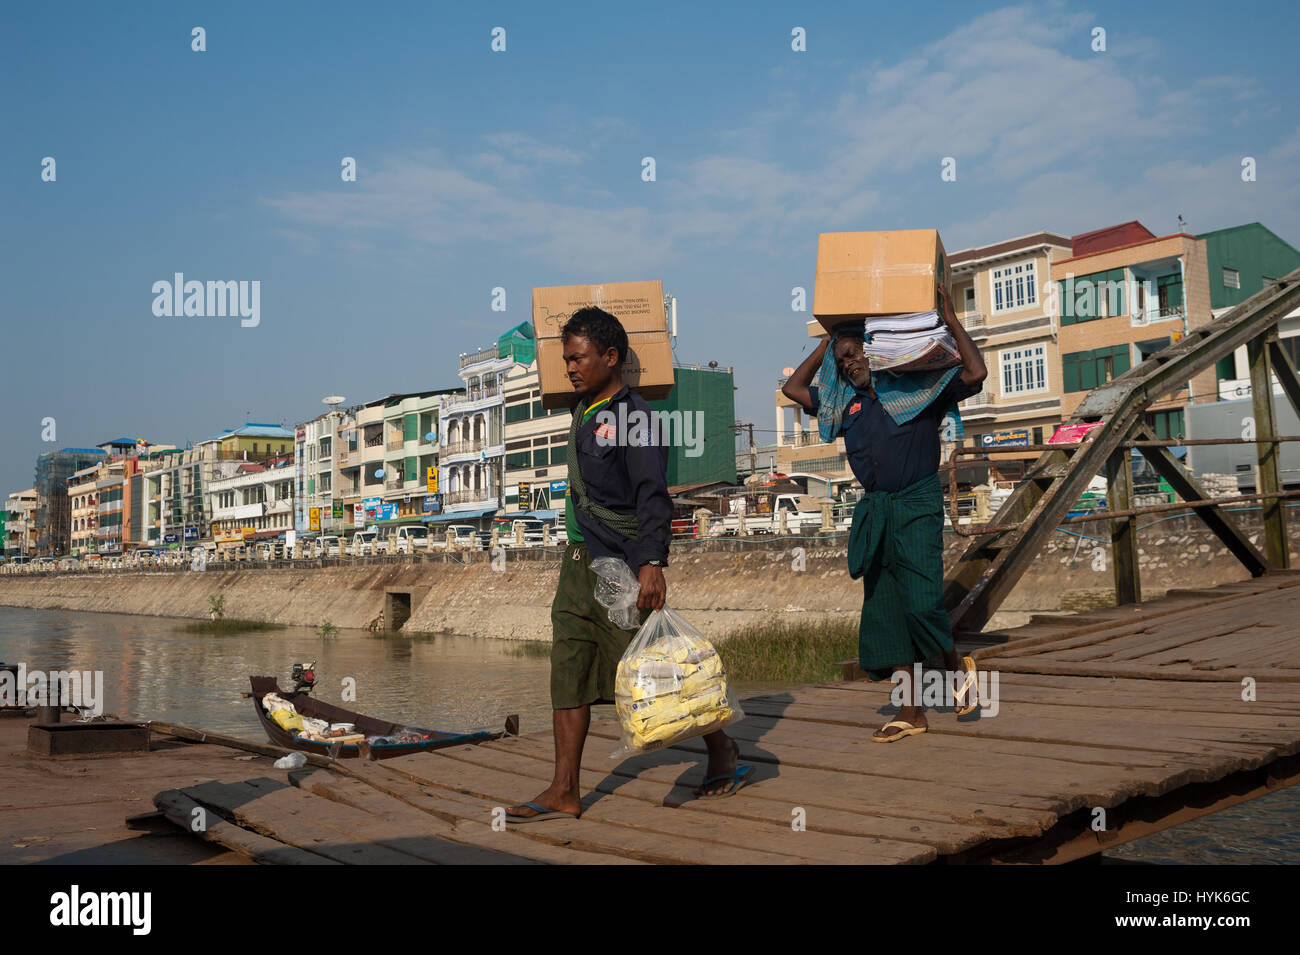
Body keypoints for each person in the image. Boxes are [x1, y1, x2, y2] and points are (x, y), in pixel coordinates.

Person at [506, 306, 750, 823]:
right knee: (566, 673)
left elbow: (651, 495)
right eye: (566, 358)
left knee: (655, 670)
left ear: (610, 357)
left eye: (579, 358)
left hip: (618, 564)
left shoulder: (634, 418)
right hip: (576, 564)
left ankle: (721, 747)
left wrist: (652, 563)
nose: (570, 367)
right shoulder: (583, 411)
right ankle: (563, 788)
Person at [781, 285, 987, 741]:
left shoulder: (920, 390)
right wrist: (828, 341)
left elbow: (975, 372)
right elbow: (793, 388)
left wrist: (952, 320)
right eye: (843, 361)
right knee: (888, 612)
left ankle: (957, 669)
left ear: (875, 351)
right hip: (877, 512)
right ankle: (911, 712)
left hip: (916, 504)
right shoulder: (844, 406)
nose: (848, 363)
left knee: (920, 602)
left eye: (854, 353)